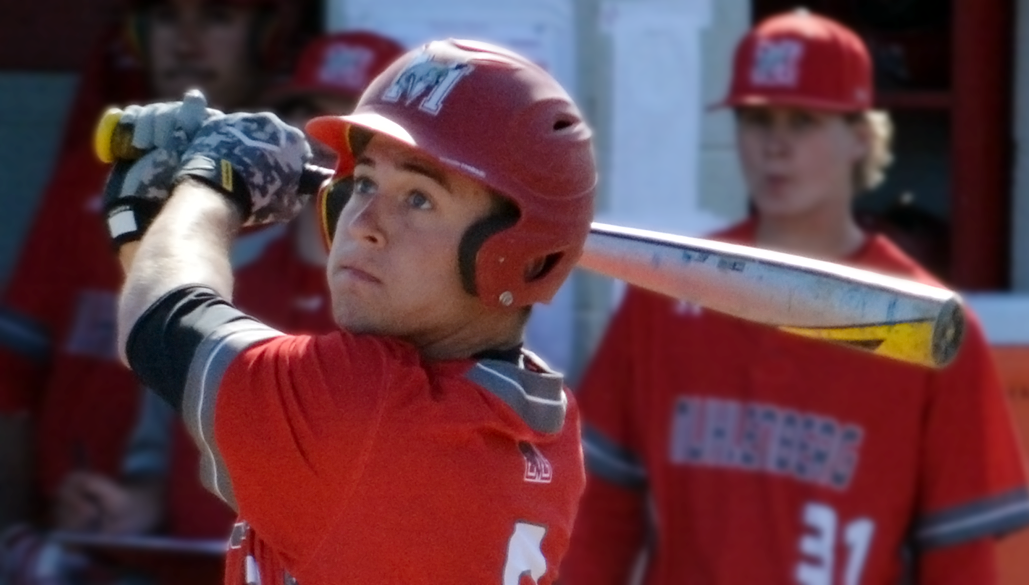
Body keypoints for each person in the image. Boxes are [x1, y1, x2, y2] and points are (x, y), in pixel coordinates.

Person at [559, 10, 1029, 585]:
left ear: (861, 137)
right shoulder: (671, 289)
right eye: (757, 119)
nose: (775, 146)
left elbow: (962, 564)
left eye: (803, 121)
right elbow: (597, 515)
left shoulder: (922, 323)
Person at [102, 38, 594, 583]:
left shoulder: (367, 408)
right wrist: (154, 225)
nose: (364, 224)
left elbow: (160, 321)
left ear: (518, 257)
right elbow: (165, 321)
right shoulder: (541, 417)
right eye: (364, 182)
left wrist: (214, 184)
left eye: (418, 198)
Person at [43, 31, 404, 585]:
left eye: (353, 138)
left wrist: (205, 192)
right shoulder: (222, 270)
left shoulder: (413, 312)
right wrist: (127, 508)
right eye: (309, 120)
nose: (330, 162)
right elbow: (160, 450)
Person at [0, 0, 308, 579]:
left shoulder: (307, 205)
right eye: (166, 19)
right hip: (82, 548)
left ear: (268, 39)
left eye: (217, 18)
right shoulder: (89, 184)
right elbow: (11, 376)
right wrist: (11, 537)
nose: (187, 42)